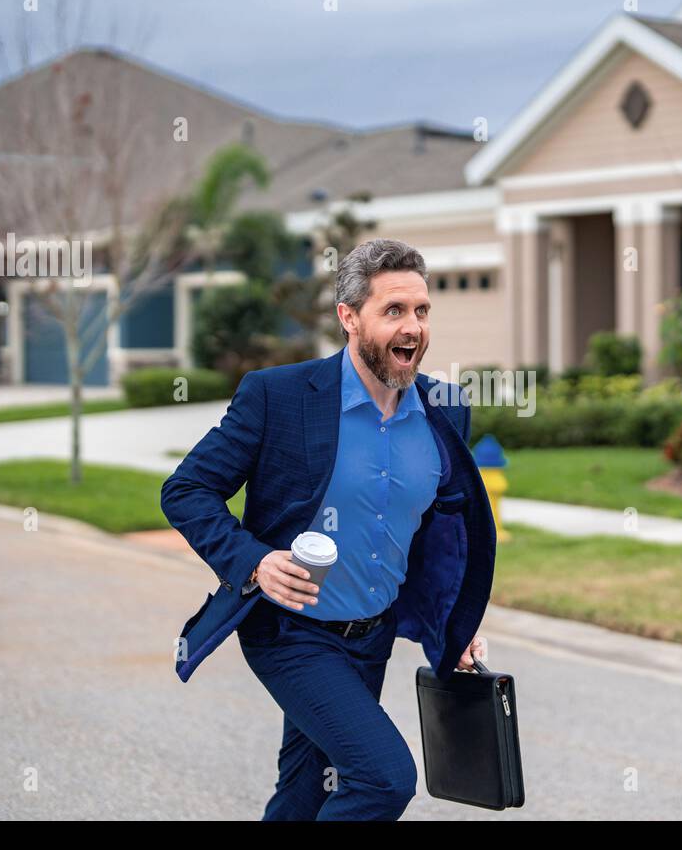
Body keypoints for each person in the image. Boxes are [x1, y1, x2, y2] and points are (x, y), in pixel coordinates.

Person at [161, 238, 497, 820]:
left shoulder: (445, 406)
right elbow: (186, 491)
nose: (412, 326)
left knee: (305, 792)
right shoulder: (281, 397)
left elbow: (435, 537)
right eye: (393, 310)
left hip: (370, 637)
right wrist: (255, 562)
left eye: (421, 310)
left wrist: (452, 622)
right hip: (290, 633)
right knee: (384, 778)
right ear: (349, 317)